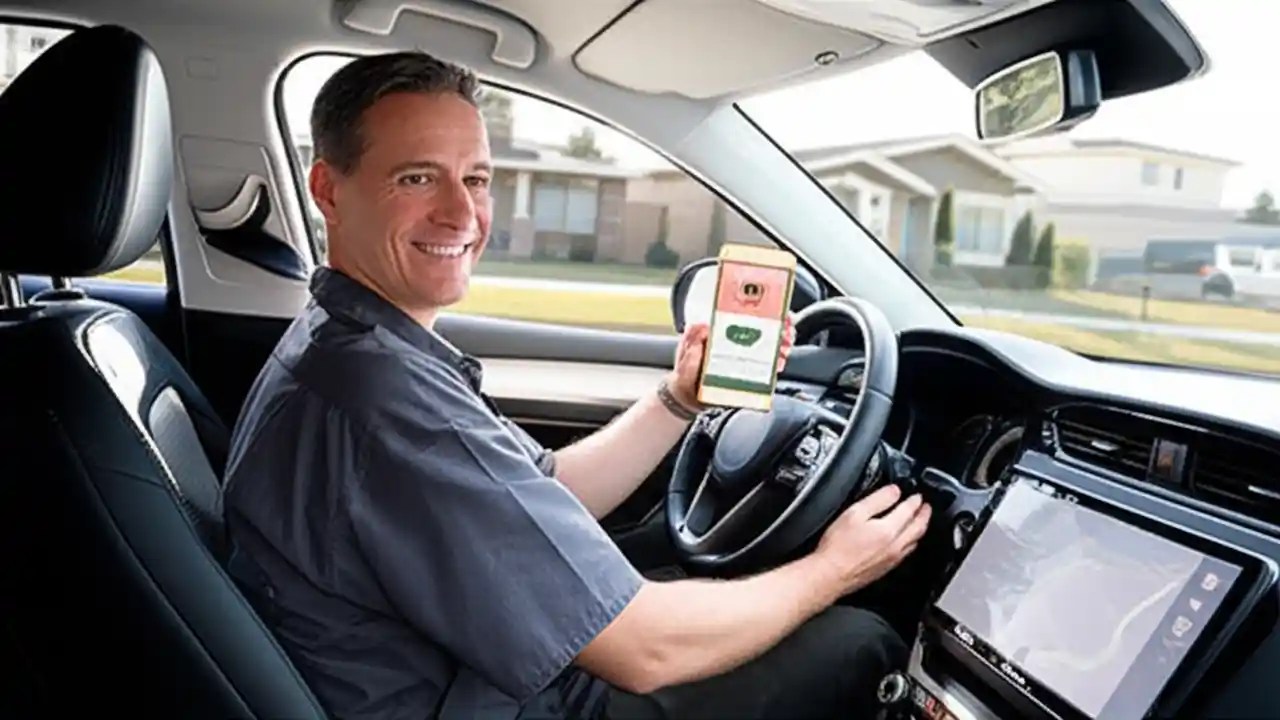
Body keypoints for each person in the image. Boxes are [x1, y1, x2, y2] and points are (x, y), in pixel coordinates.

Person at [222, 50, 932, 720]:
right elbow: (644, 651)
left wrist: (679, 400)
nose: (462, 215)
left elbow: (545, 489)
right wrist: (832, 571)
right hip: (500, 702)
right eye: (416, 178)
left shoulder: (354, 343)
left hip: (477, 667)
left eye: (474, 179)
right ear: (328, 190)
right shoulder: (381, 399)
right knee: (859, 642)